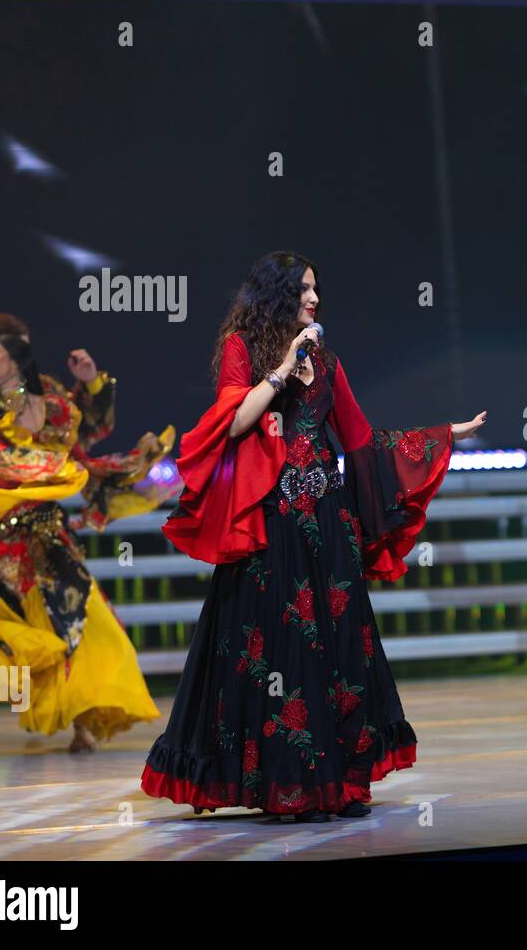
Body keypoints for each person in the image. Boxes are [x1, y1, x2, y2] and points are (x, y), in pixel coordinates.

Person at [140, 251, 485, 821]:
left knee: (333, 652)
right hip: (270, 525)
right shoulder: (243, 349)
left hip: (326, 525)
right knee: (277, 652)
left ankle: (337, 780)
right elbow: (235, 421)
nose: (315, 299)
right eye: (304, 289)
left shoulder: (326, 361)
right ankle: (284, 784)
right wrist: (281, 370)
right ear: (276, 293)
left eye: (316, 289)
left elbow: (359, 439)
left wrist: (443, 434)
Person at [0, 333, 174, 751]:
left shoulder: (56, 408)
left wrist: (93, 383)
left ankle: (82, 722)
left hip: (45, 533)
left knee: (79, 619)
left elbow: (86, 436)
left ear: (17, 362)